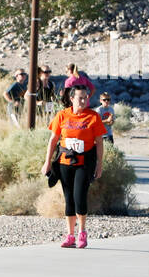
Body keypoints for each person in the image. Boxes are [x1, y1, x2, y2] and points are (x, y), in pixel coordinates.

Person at [41, 76, 106, 248]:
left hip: (85, 163)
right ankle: (70, 235)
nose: (84, 101)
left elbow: (99, 143)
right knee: (69, 198)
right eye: (80, 98)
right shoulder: (62, 115)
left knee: (79, 196)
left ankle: (82, 232)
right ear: (71, 98)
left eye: (86, 97)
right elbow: (53, 140)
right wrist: (47, 162)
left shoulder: (93, 117)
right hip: (65, 162)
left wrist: (99, 165)